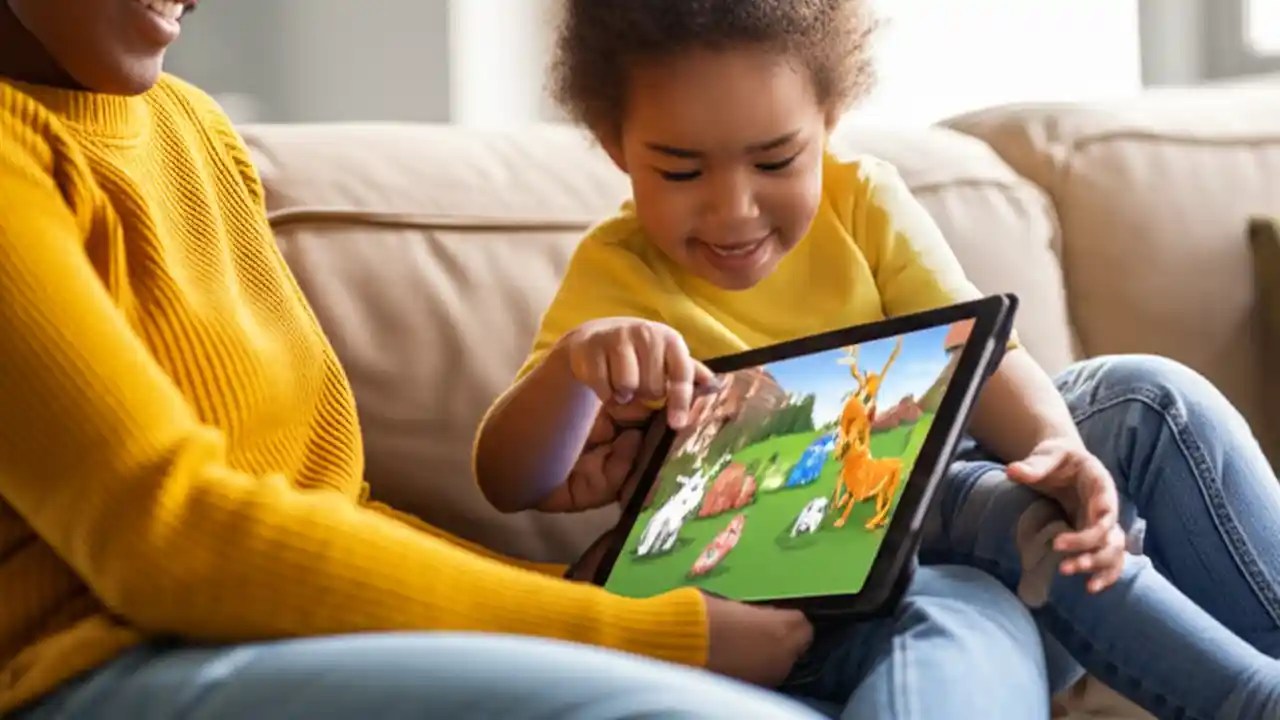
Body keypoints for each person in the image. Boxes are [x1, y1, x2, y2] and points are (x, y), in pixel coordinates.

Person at [0, 1, 936, 718]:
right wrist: (639, 634)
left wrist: (566, 597)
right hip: (100, 670)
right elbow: (177, 540)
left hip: (293, 639)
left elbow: (333, 510)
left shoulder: (190, 129)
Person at [473, 1, 1280, 718]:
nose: (733, 210)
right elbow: (511, 482)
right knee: (985, 502)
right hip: (821, 589)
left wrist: (1058, 449)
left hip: (960, 496)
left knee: (1149, 398)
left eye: (775, 161)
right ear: (615, 144)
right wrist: (574, 370)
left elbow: (984, 360)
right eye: (681, 169)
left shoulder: (862, 199)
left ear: (829, 118)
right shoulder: (614, 276)